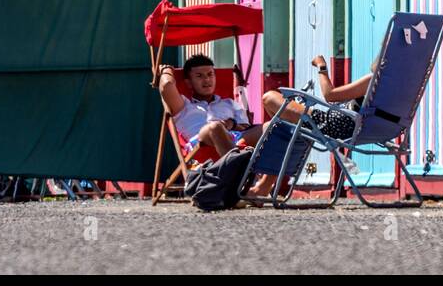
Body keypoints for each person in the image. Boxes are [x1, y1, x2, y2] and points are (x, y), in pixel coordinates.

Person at [248, 55, 374, 198]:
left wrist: (322, 66)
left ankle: (263, 186)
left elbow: (330, 95)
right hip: (359, 127)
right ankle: (263, 186)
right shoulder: (400, 86)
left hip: (332, 124)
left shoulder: (375, 80)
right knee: (283, 126)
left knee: (270, 98)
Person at [157, 54, 262, 157]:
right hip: (201, 147)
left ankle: (270, 173)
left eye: (210, 74)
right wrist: (166, 70)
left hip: (235, 141)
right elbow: (167, 85)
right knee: (214, 127)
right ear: (188, 82)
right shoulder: (183, 106)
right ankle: (235, 166)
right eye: (199, 76)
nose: (207, 80)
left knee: (270, 127)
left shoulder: (229, 103)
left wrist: (232, 124)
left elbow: (247, 129)